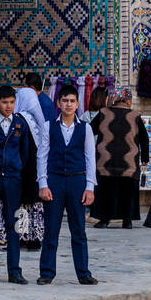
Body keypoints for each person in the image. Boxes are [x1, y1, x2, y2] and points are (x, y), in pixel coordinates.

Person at [36, 85, 98, 286]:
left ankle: (83, 272)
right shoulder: (48, 126)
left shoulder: (85, 128)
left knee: (78, 229)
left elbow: (90, 158)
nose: (69, 104)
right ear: (58, 103)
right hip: (54, 180)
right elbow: (42, 156)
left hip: (77, 181)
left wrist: (90, 187)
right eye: (65, 101)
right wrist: (43, 183)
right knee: (51, 229)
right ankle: (47, 272)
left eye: (72, 101)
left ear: (77, 104)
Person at [0, 84, 37, 284]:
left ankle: (14, 270)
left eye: (11, 102)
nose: (8, 106)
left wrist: (19, 171)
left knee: (14, 224)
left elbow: (26, 153)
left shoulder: (20, 124)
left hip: (13, 179)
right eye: (4, 102)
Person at [91, 87, 150, 228]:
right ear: (127, 100)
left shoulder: (103, 113)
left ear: (112, 98)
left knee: (107, 191)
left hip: (105, 162)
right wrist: (145, 159)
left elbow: (88, 130)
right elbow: (144, 139)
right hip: (129, 162)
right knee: (127, 192)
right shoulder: (135, 116)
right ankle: (127, 221)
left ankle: (104, 220)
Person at [14, 86, 49, 251]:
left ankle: (21, 238)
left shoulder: (19, 119)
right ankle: (36, 238)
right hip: (36, 170)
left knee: (22, 206)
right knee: (35, 205)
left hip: (24, 169)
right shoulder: (36, 120)